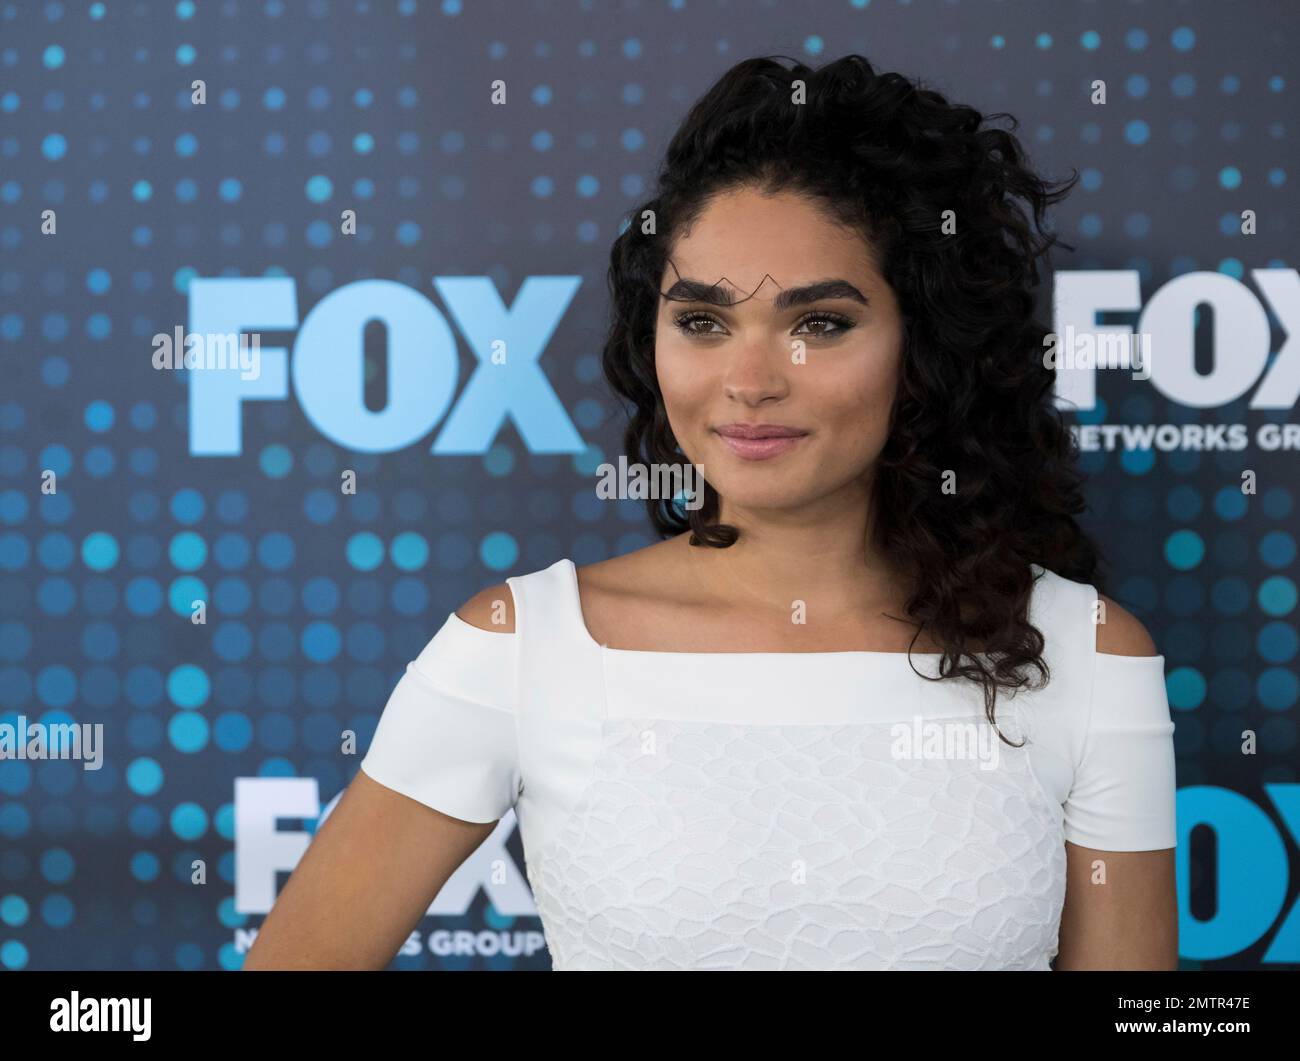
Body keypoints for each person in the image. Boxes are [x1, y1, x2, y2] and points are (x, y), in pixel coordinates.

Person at [244, 54, 1177, 971]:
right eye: (702, 321)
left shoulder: (1087, 657)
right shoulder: (523, 650)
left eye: (821, 324)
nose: (750, 381)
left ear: (925, 346)